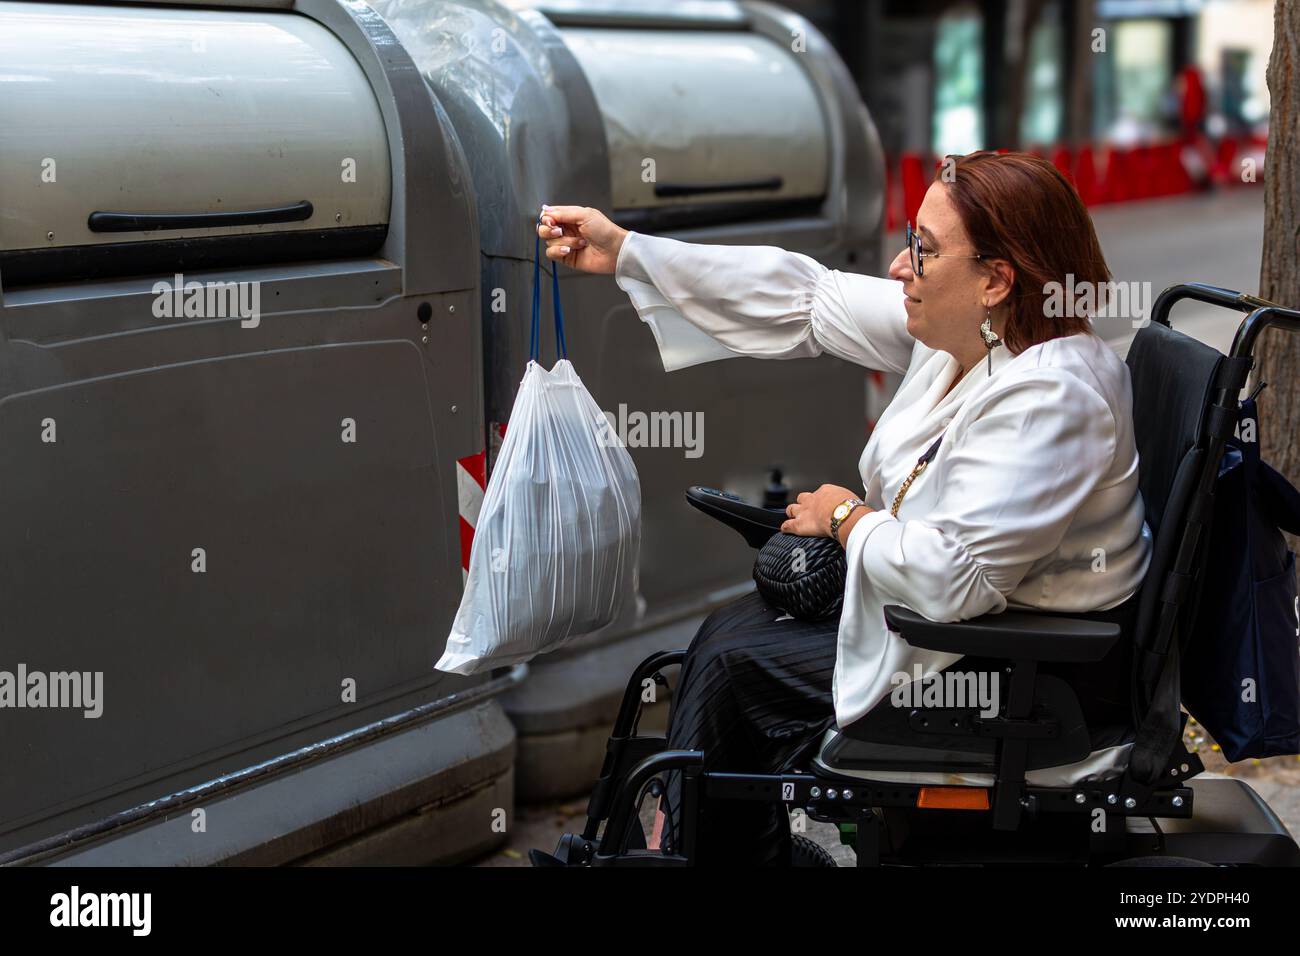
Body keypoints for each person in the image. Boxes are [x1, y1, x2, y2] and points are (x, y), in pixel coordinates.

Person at [536, 151, 1152, 865]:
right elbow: (806, 297)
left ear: (995, 279)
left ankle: (692, 852)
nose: (900, 266)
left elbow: (954, 579)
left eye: (924, 249)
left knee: (737, 664)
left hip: (1027, 671)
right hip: (970, 637)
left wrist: (845, 519)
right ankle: (694, 848)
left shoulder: (1055, 395)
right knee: (730, 634)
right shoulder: (971, 338)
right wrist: (628, 251)